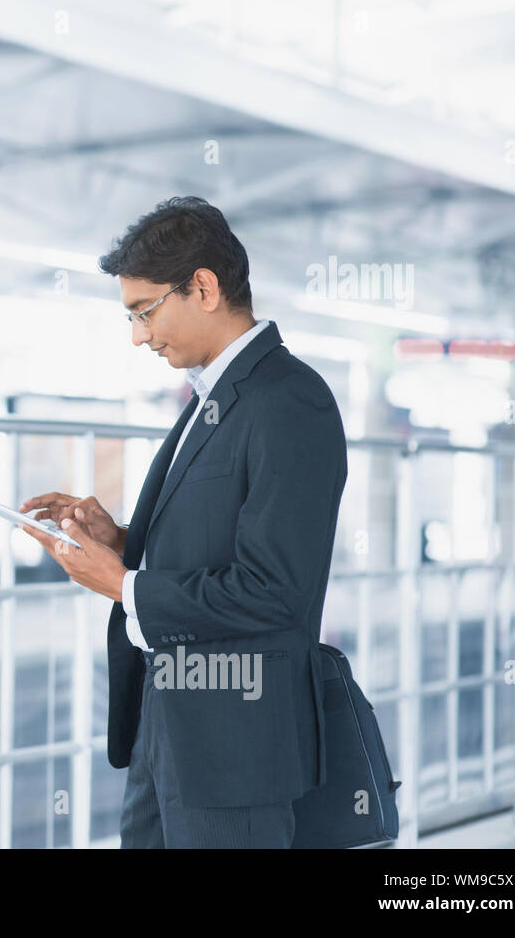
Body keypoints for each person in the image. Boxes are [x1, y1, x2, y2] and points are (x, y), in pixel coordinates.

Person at [17, 195, 347, 848]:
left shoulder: (288, 402)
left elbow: (274, 590)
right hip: (167, 734)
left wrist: (121, 585)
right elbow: (208, 546)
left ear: (202, 287)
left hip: (236, 757)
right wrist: (122, 543)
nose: (139, 334)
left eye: (143, 311)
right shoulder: (212, 398)